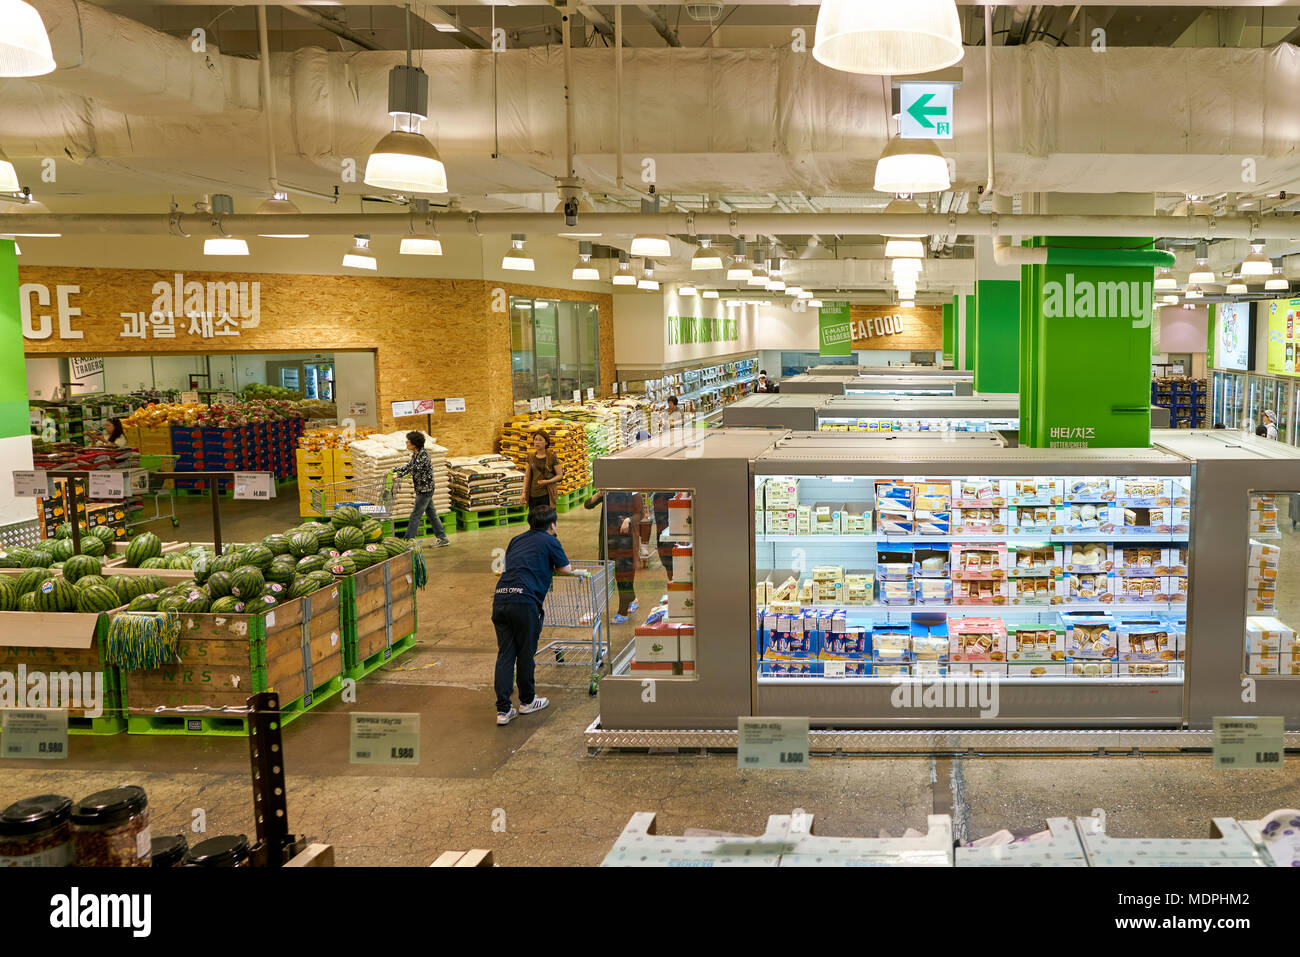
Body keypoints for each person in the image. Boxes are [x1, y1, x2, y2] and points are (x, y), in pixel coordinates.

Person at [491, 507, 576, 725]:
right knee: (525, 652)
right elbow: (565, 569)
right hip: (524, 602)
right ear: (552, 525)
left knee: (506, 654)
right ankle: (528, 701)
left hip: (501, 598)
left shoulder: (516, 539)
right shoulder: (550, 541)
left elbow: (504, 567)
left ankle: (503, 710)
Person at [583, 488, 642, 623]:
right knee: (617, 573)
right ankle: (632, 599)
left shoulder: (632, 490)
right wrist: (599, 494)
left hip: (626, 539)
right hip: (609, 537)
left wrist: (629, 520)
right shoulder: (607, 490)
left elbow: (641, 514)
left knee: (624, 575)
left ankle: (622, 612)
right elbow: (587, 504)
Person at [391, 431, 449, 547]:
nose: (406, 443)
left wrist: (399, 475)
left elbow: (414, 469)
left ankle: (408, 541)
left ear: (414, 444)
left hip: (425, 489)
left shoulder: (424, 455)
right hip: (421, 488)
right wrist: (396, 469)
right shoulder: (415, 454)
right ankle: (442, 538)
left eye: (408, 441)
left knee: (415, 515)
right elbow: (409, 465)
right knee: (431, 514)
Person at [521, 431, 564, 514]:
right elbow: (526, 476)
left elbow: (560, 475)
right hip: (532, 495)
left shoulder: (552, 457)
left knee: (546, 520)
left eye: (540, 440)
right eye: (535, 439)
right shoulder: (530, 457)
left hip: (547, 495)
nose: (537, 442)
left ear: (546, 443)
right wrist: (523, 493)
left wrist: (547, 481)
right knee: (534, 520)